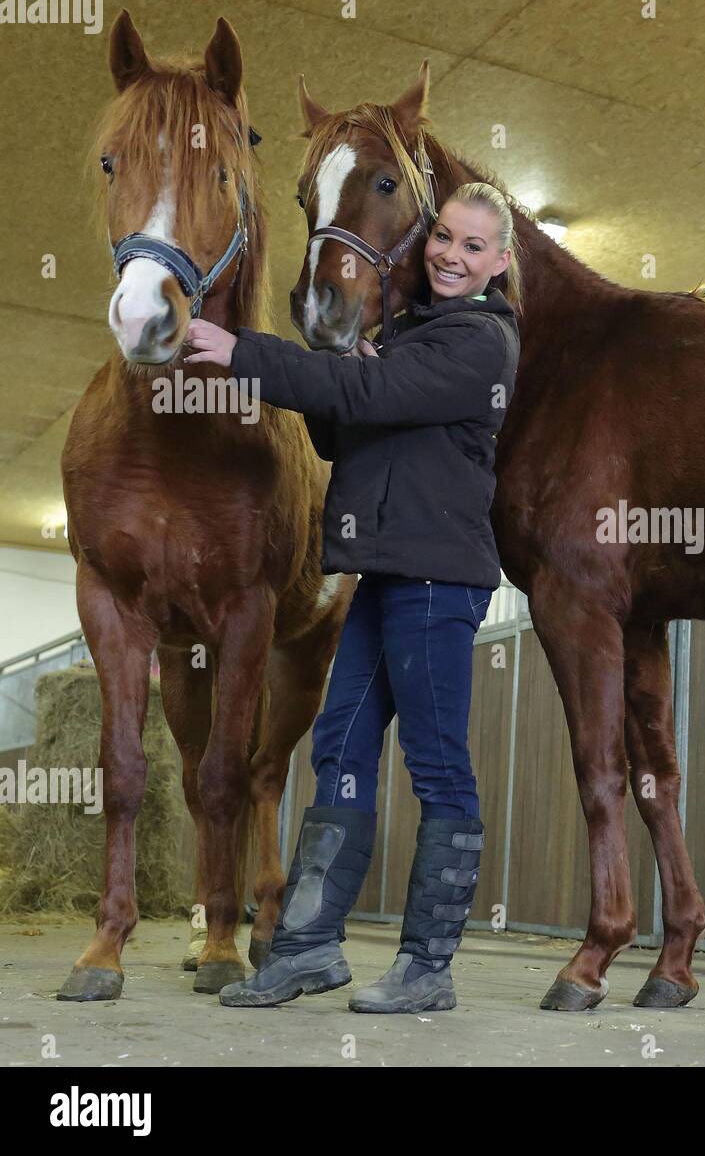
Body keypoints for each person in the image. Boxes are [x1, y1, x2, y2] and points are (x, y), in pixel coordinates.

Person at [184, 182, 521, 1013]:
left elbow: (365, 400)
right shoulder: (409, 336)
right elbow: (342, 427)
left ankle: (428, 966)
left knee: (438, 765)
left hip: (439, 579)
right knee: (338, 748)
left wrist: (245, 351)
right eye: (444, 236)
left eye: (474, 246)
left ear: (499, 263)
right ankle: (305, 945)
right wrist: (348, 361)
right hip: (386, 571)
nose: (451, 254)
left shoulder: (482, 341)